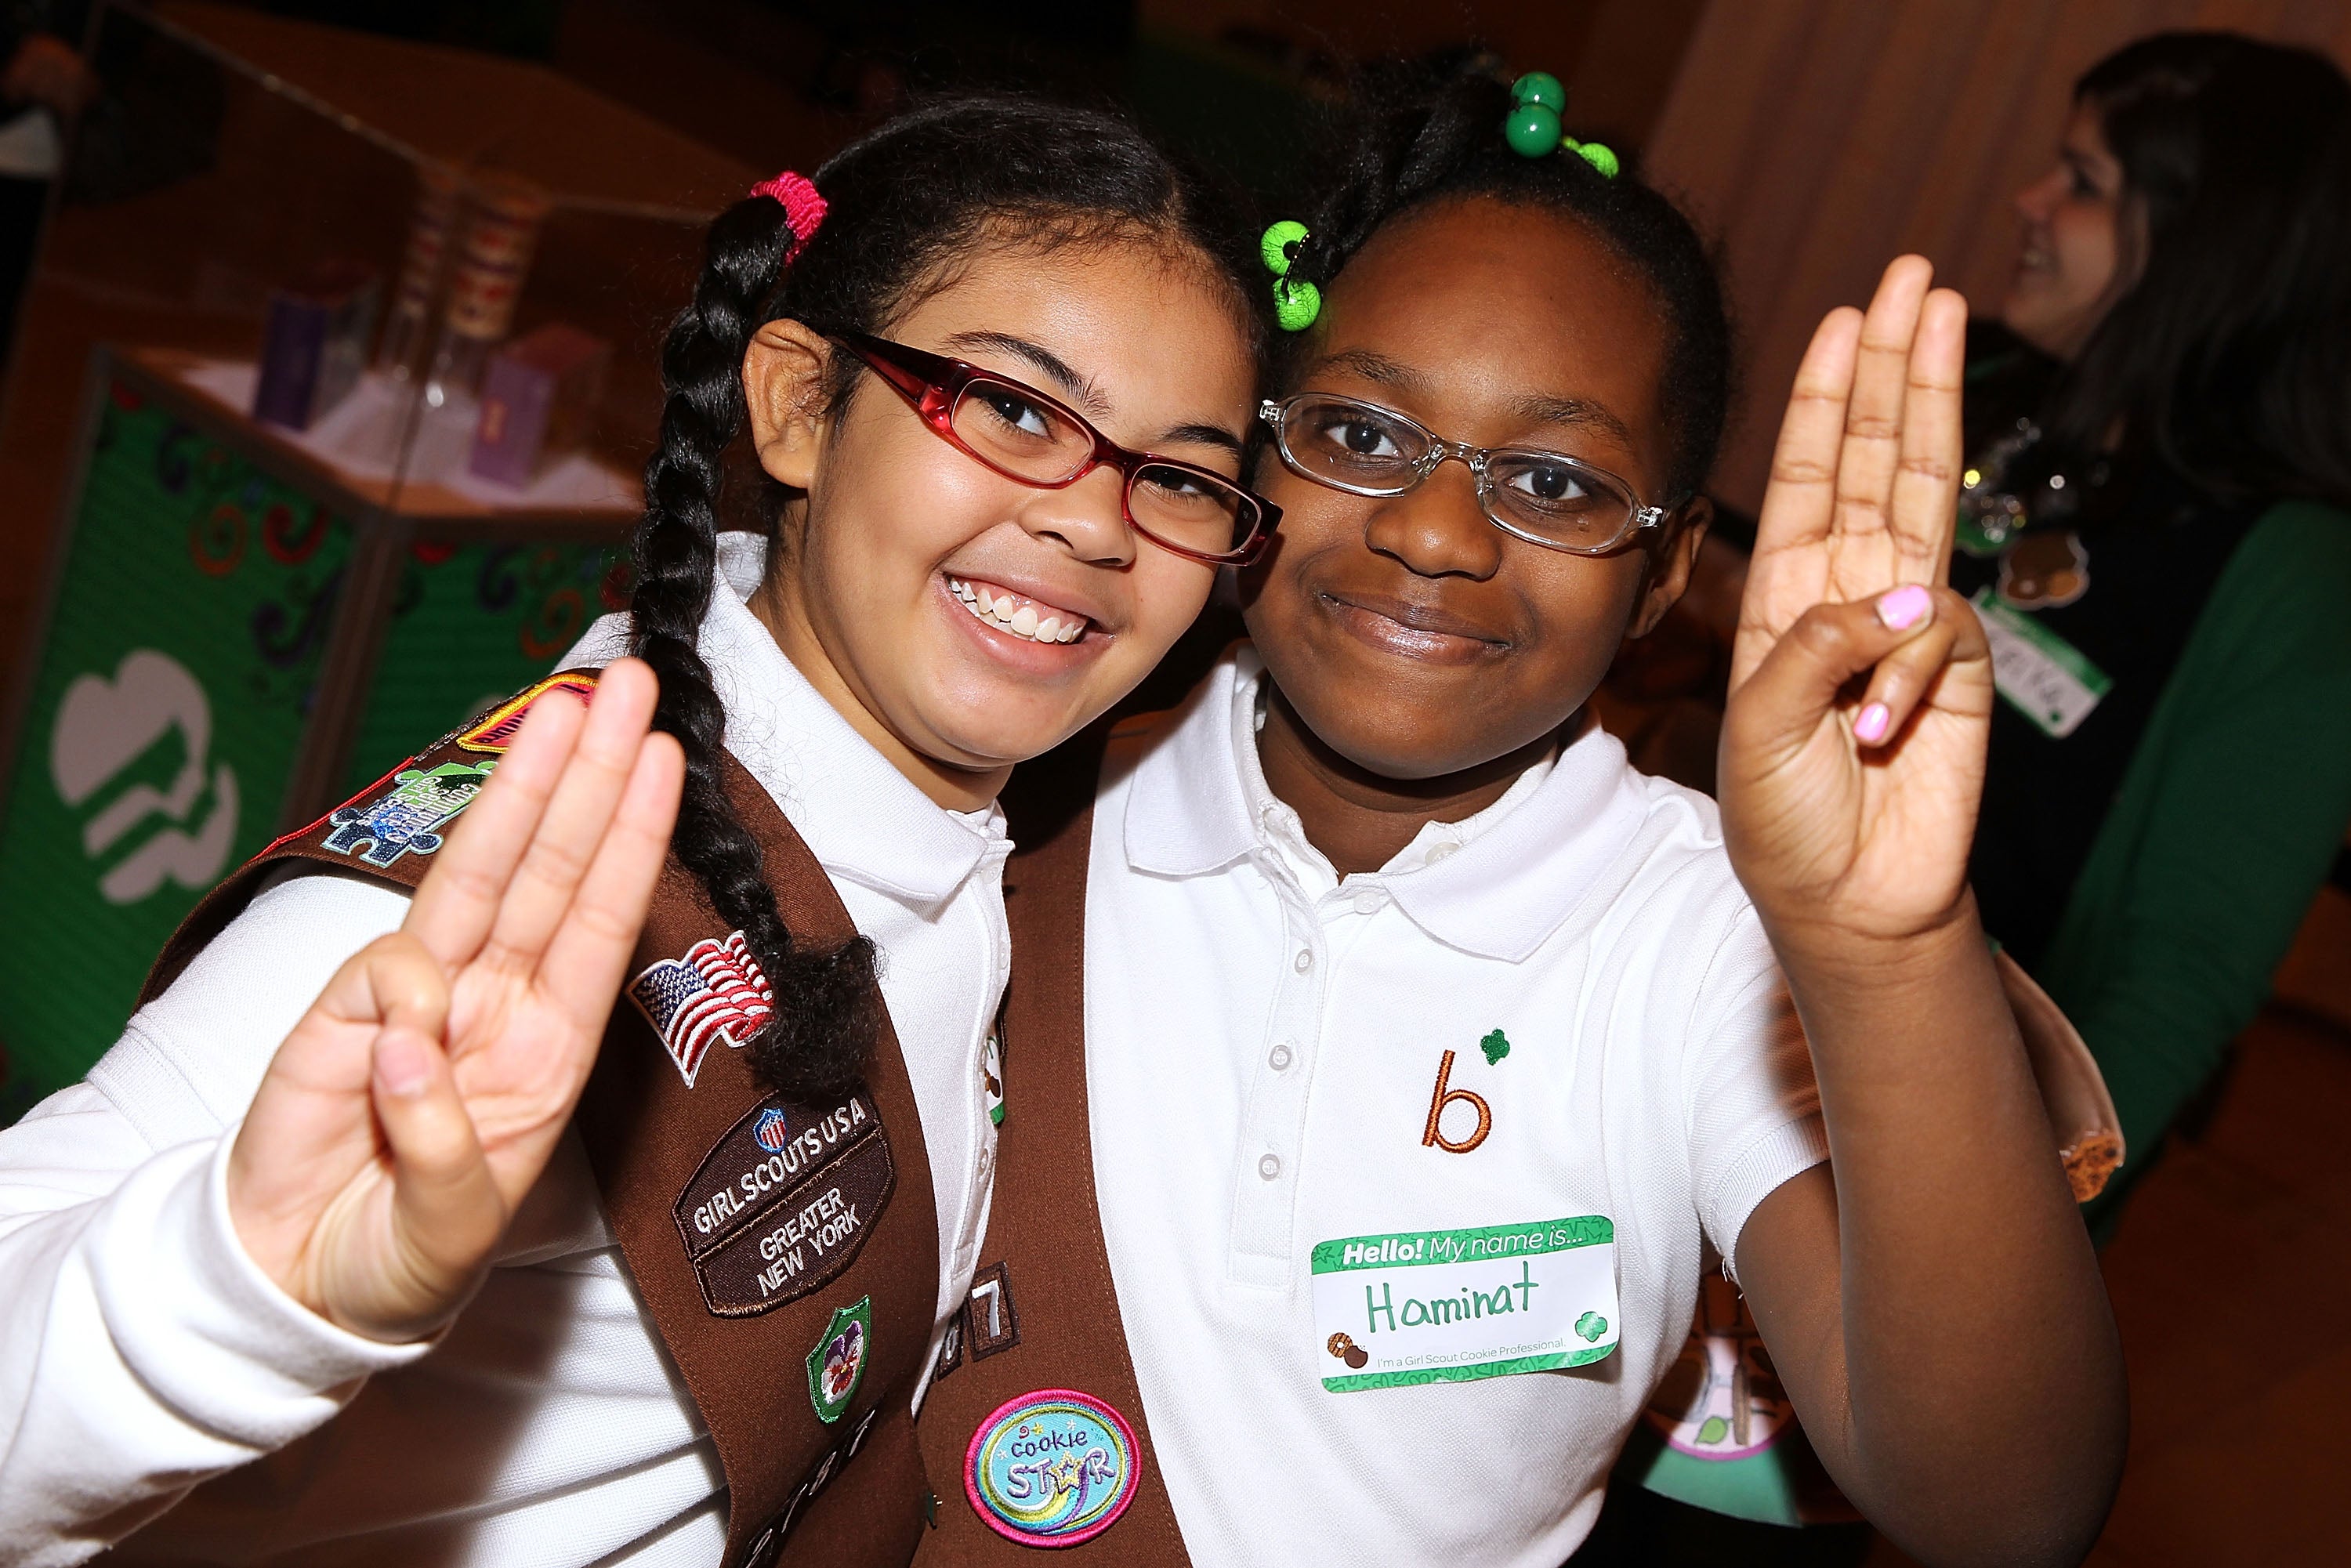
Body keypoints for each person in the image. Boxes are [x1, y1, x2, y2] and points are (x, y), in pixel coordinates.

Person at [0, 95, 1277, 1564]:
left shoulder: (974, 817)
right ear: (799, 403)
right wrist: (237, 1294)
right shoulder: (530, 894)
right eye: (1016, 409)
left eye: (1180, 474)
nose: (1100, 524)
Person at [909, 65, 2125, 1566]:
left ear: (1666, 575)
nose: (1432, 529)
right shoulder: (1034, 780)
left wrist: (1883, 945)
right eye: (1359, 435)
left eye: (1552, 479)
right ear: (1248, 453)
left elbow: (2005, 1510)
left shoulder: (1691, 943)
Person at [1951, 31, 2351, 1229]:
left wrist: (1994, 1230)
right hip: (1746, 1023)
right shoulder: (1985, 394)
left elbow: (2177, 983)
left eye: (2082, 182)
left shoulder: (2294, 573)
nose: (2031, 200)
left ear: (2197, 250)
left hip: (1965, 1140)